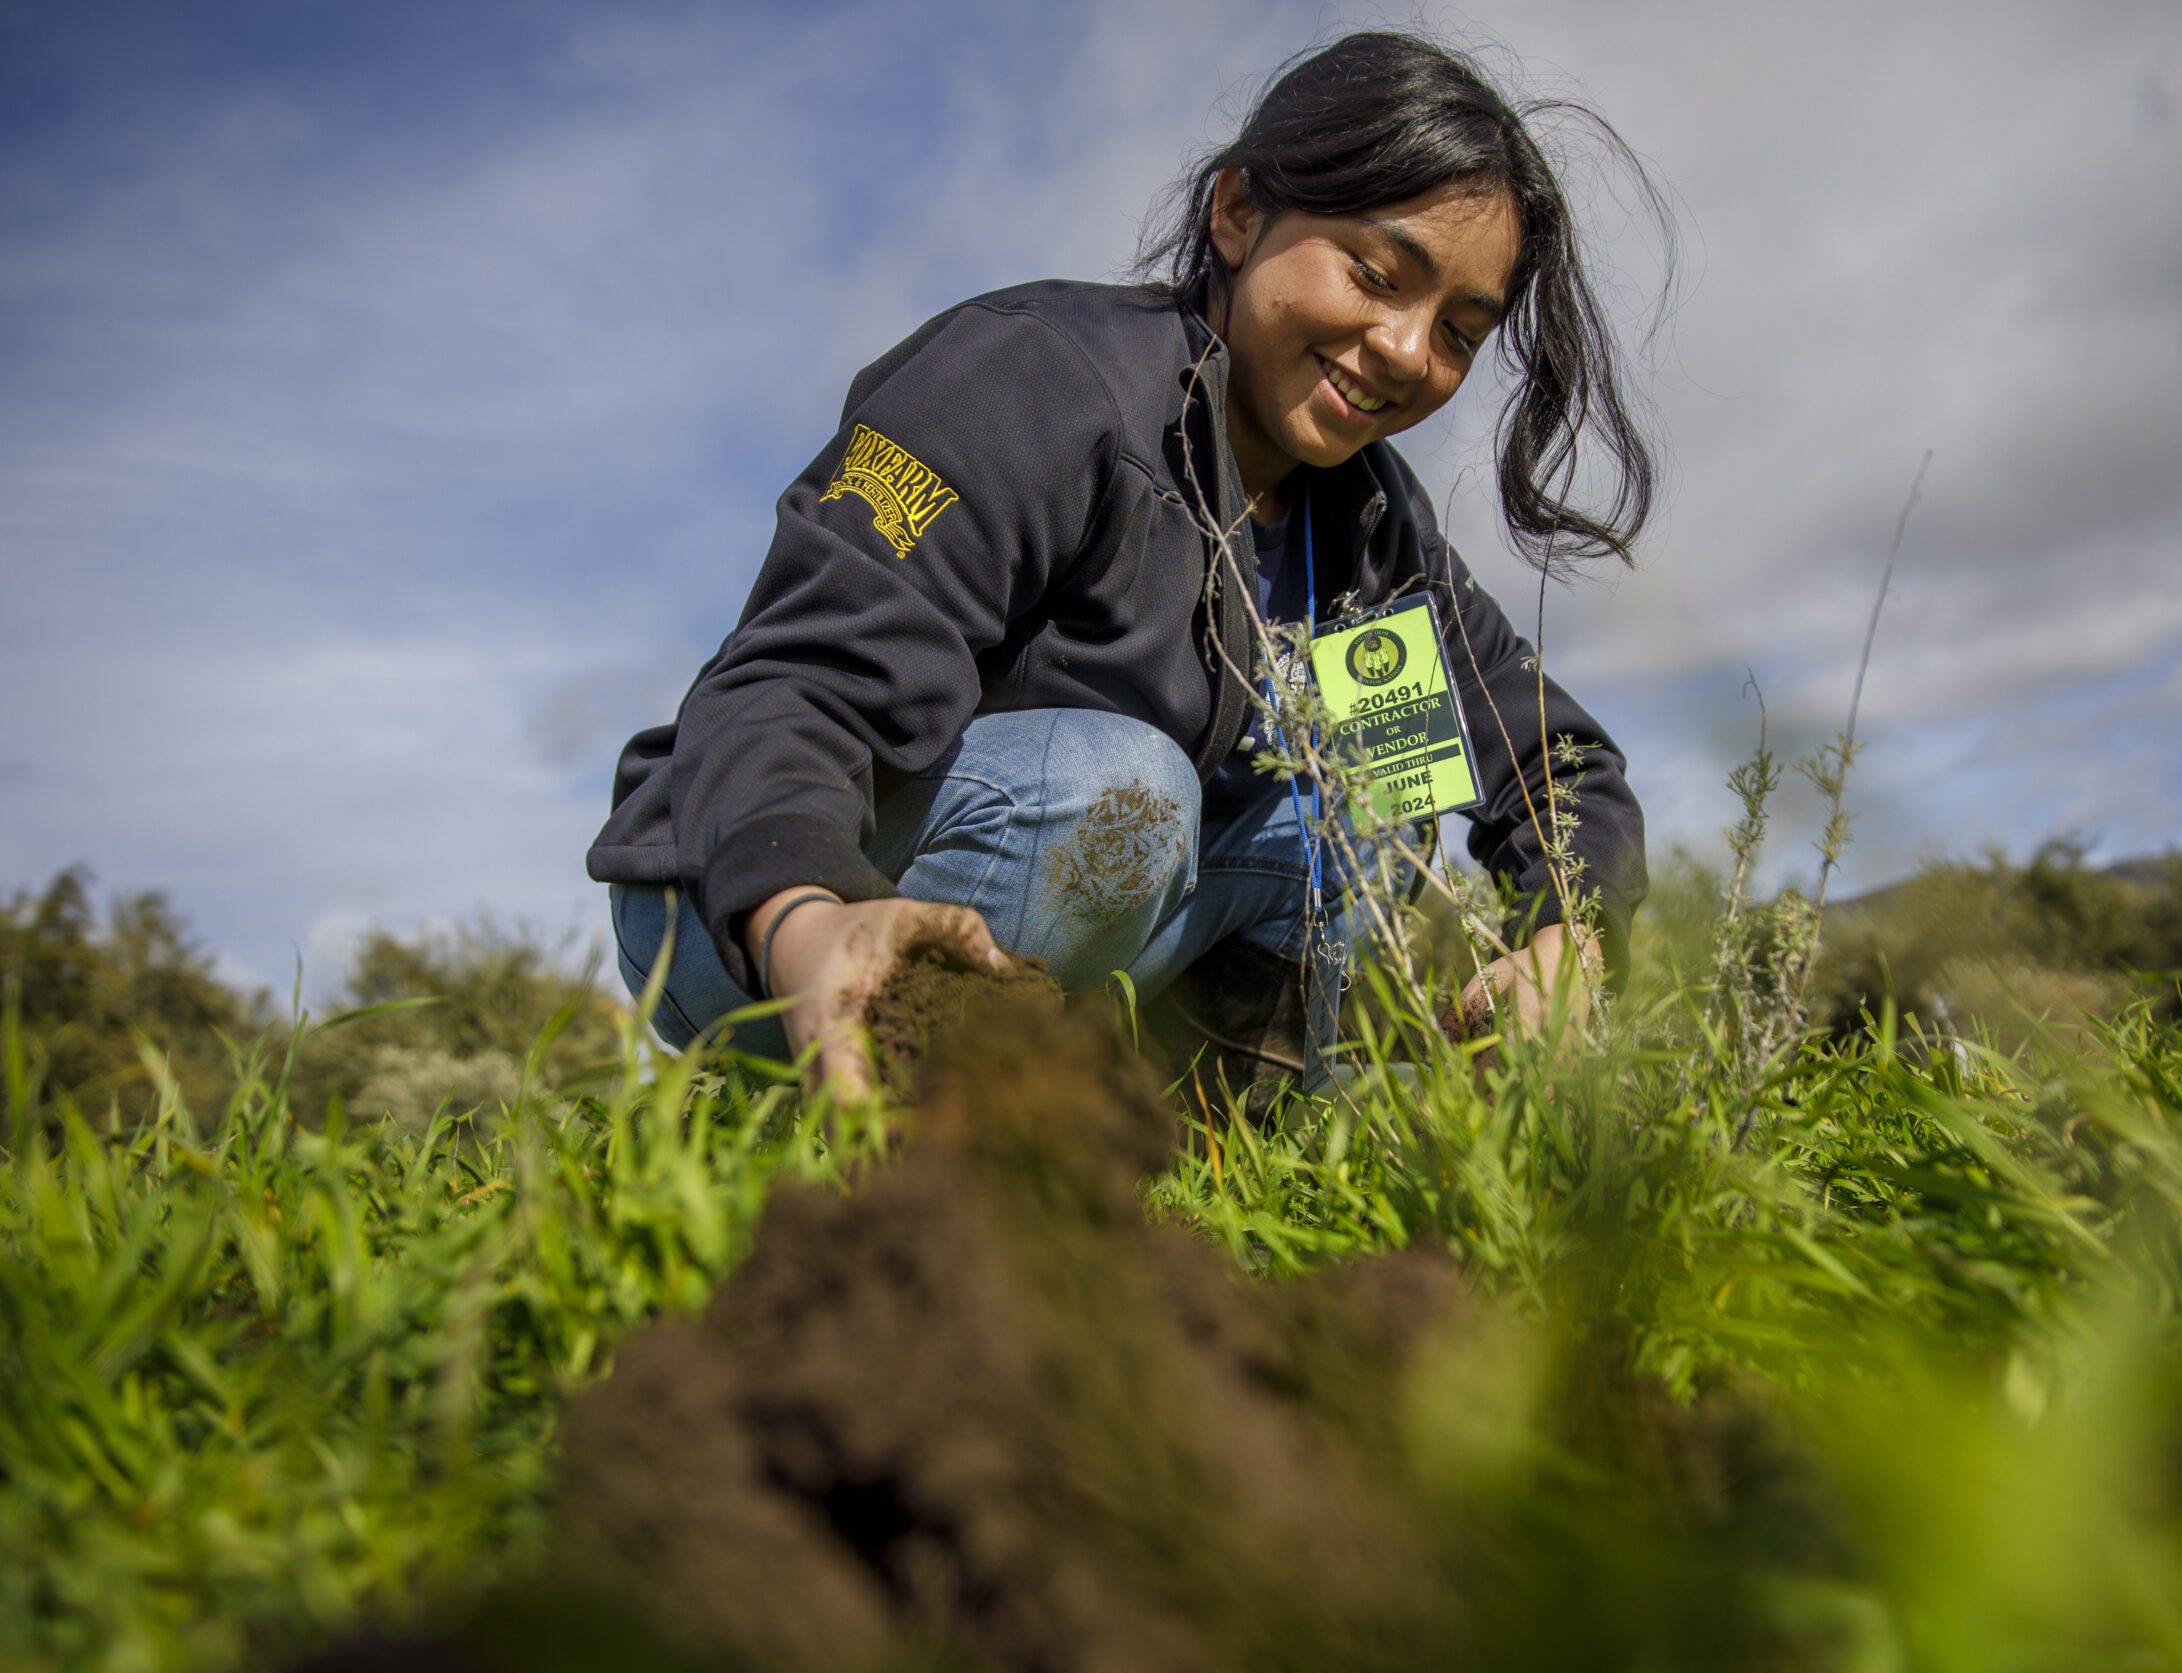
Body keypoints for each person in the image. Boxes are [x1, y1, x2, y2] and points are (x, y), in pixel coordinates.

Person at [586, 29, 1658, 1103]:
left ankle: (1208, 1133)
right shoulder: (1034, 382)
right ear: (1237, 211)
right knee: (1124, 791)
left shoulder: (1372, 533)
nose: (1407, 351)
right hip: (749, 901)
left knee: (1370, 811)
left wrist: (1570, 937)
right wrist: (804, 919)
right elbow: (798, 684)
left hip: (1044, 923)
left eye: (1459, 333)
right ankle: (903, 1099)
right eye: (1375, 275)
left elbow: (1554, 762)